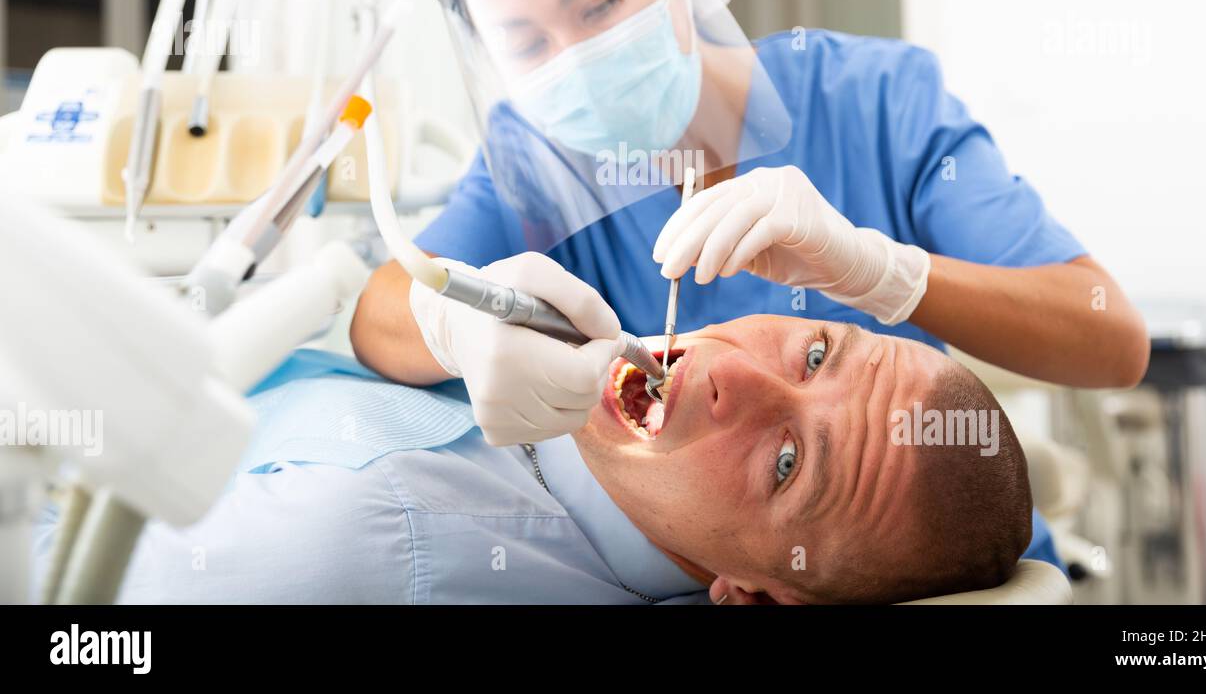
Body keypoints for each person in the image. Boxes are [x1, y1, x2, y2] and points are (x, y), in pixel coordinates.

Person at [350, 0, 1148, 456]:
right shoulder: (535, 155)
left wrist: (884, 274)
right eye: (527, 46)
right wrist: (454, 331)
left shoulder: (875, 99)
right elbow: (384, 306)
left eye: (599, 5)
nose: (576, 61)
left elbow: (1110, 341)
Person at [33, 317, 1034, 604]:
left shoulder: (371, 539)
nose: (741, 377)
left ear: (757, 595)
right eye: (817, 352)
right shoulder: (578, 365)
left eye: (784, 467)